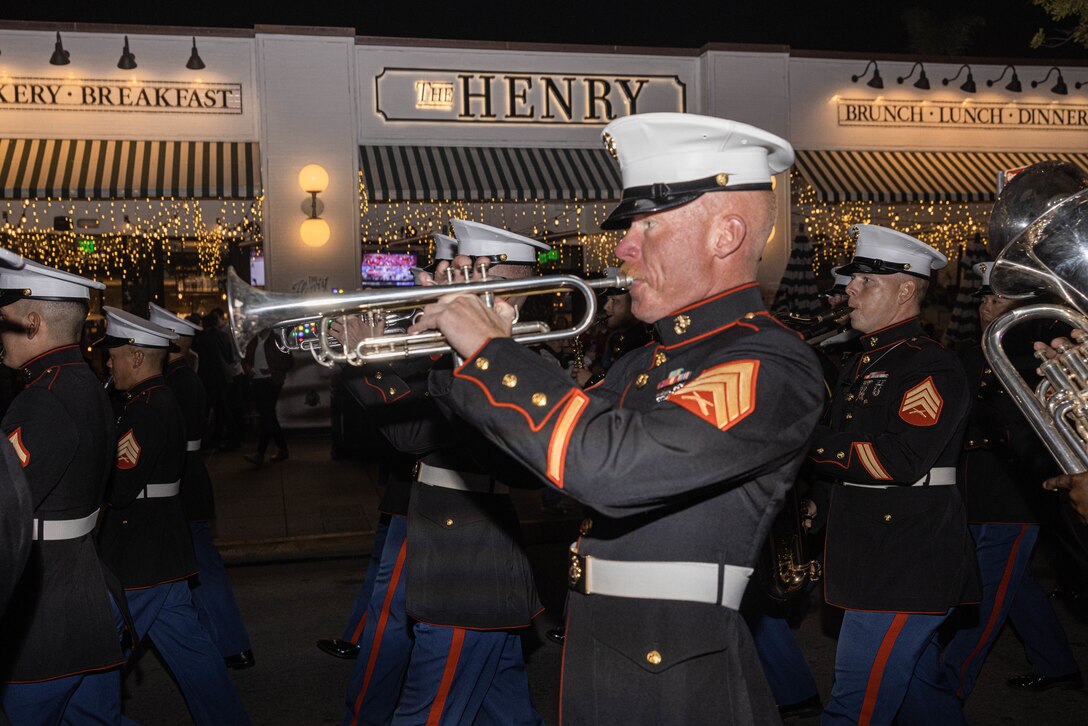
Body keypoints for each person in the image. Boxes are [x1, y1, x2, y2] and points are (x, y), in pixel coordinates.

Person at [408, 113, 824, 724]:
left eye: (647, 228)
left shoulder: (769, 361)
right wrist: (457, 360)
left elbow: (611, 470)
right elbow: (539, 463)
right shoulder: (645, 361)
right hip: (605, 652)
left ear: (726, 235)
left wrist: (493, 355)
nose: (623, 247)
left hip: (677, 676)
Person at [334, 219, 547, 726]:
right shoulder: (470, 359)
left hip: (466, 567)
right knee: (508, 709)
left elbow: (411, 435)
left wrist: (365, 360)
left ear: (499, 289)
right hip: (456, 548)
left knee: (426, 714)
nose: (442, 279)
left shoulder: (516, 365)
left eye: (461, 272)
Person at [803, 224, 980, 725]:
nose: (849, 291)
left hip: (906, 558)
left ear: (906, 290)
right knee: (924, 696)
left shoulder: (929, 366)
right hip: (877, 551)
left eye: (865, 282)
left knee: (854, 704)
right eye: (851, 281)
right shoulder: (865, 360)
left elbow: (899, 461)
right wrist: (817, 497)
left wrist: (803, 438)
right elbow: (850, 443)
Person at [929, 262, 1082, 706]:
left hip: (1015, 495)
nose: (985, 307)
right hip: (974, 489)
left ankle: (948, 688)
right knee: (1014, 588)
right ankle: (1057, 664)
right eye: (982, 299)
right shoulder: (968, 352)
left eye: (997, 300)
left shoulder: (1034, 356)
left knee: (989, 595)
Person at [96, 307, 249, 725]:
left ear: (138, 357)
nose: (109, 363)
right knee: (194, 654)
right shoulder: (152, 399)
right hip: (163, 545)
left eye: (115, 355)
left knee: (93, 658)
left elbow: (122, 488)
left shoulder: (145, 408)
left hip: (141, 550)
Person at [316, 231, 457, 663]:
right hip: (405, 481)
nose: (419, 286)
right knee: (383, 576)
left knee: (390, 598)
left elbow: (413, 423)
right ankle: (357, 635)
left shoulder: (456, 347)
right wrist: (377, 351)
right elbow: (405, 386)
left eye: (430, 279)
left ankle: (366, 656)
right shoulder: (426, 331)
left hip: (429, 489)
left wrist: (370, 357)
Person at [0, 256, 126, 724]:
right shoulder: (86, 383)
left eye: (4, 321)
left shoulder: (42, 399)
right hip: (88, 598)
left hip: (46, 616)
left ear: (32, 323)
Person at [149, 302, 254, 670]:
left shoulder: (176, 381)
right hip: (191, 475)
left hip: (182, 480)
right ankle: (224, 643)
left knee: (200, 568)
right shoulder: (185, 375)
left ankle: (226, 645)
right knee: (197, 568)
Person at [242, 328, 294, 467]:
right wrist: (248, 367)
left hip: (272, 381)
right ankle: (280, 449)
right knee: (267, 415)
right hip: (257, 381)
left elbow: (289, 362)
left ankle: (261, 452)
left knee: (267, 413)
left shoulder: (277, 340)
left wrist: (273, 369)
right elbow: (246, 359)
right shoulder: (253, 341)